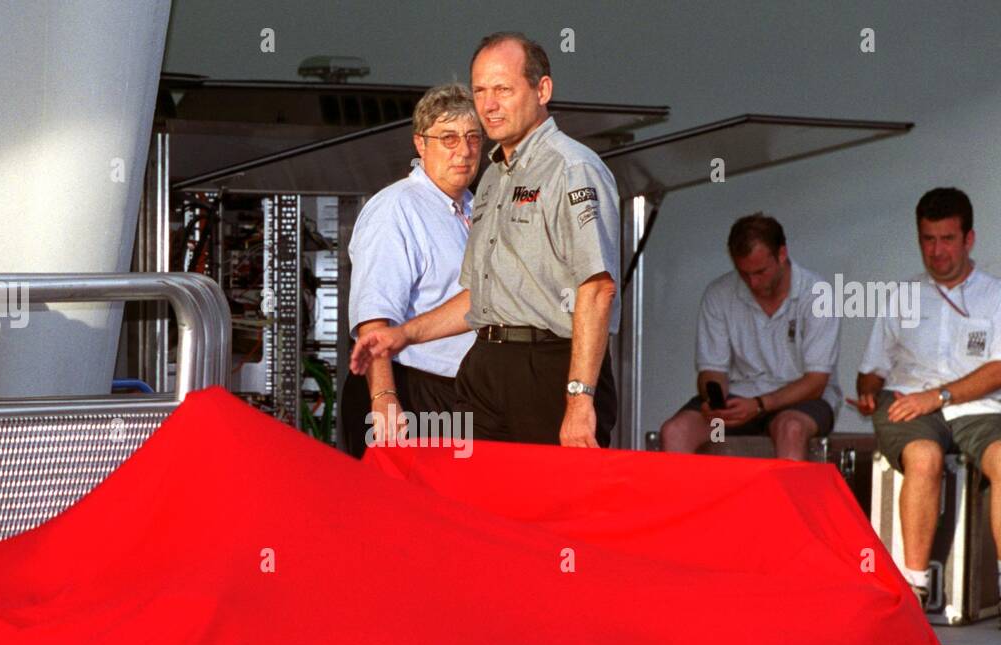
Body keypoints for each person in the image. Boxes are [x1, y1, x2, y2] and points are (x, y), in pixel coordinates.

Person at [351, 31, 620, 447]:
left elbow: (598, 288)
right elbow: (481, 296)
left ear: (542, 89)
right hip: (486, 370)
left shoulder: (571, 169)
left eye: (503, 89)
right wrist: (405, 335)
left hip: (550, 366)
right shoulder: (493, 178)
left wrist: (580, 397)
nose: (489, 105)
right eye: (480, 91)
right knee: (470, 504)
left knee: (547, 505)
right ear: (419, 144)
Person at [852, 187, 1001, 632]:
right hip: (907, 406)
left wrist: (938, 396)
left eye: (947, 239)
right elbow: (871, 372)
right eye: (927, 240)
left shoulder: (999, 296)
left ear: (969, 239)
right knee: (924, 458)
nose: (937, 251)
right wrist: (867, 392)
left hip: (975, 408)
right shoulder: (900, 297)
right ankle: (914, 592)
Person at [340, 84, 481, 457]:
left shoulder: (474, 208)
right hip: (405, 390)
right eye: (448, 138)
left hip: (455, 394)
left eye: (473, 138)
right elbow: (375, 317)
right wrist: (385, 399)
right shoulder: (396, 209)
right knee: (392, 511)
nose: (463, 152)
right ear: (421, 143)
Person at [657, 214, 841, 460]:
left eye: (760, 272)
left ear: (782, 254)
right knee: (675, 431)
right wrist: (715, 401)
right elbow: (712, 371)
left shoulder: (819, 294)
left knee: (791, 429)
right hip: (739, 402)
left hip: (802, 401)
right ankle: (693, 500)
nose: (753, 282)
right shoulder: (718, 294)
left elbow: (816, 382)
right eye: (744, 273)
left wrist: (760, 404)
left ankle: (782, 500)